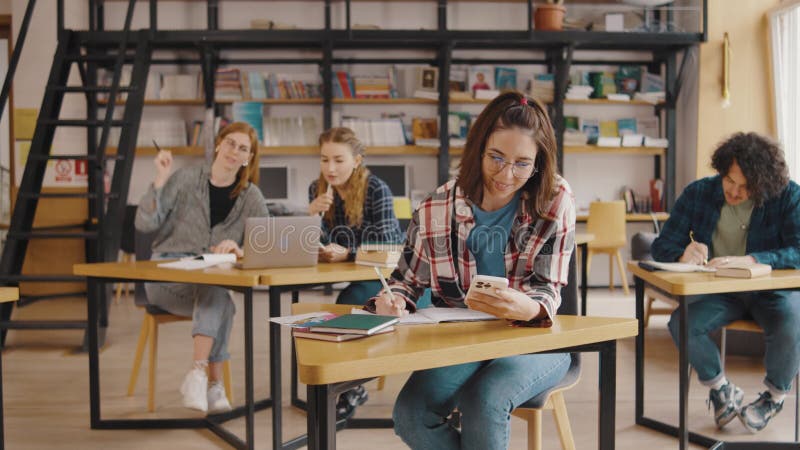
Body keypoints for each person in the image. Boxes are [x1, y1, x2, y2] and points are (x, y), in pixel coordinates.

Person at [366, 91, 575, 449]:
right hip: (465, 338)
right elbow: (406, 281)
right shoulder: (436, 207)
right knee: (412, 414)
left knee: (484, 400)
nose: (506, 175)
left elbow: (548, 287)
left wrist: (526, 308)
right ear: (478, 148)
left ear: (539, 162)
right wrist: (392, 300)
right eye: (496, 157)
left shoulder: (555, 198)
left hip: (535, 338)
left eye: (523, 163)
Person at [651, 132, 800, 433]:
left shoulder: (788, 196)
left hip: (772, 292)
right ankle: (721, 389)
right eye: (730, 181)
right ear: (721, 170)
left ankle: (773, 397)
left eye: (746, 188)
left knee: (791, 322)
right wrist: (683, 253)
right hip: (723, 291)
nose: (734, 192)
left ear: (764, 185)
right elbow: (661, 245)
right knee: (682, 323)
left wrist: (756, 260)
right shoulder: (698, 193)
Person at [135, 122, 269, 414]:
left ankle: (199, 376)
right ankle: (212, 385)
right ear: (218, 145)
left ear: (249, 158)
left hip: (211, 279)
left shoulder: (251, 197)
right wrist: (160, 179)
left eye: (243, 148)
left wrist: (240, 249)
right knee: (223, 301)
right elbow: (144, 223)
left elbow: (266, 245)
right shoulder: (184, 179)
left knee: (217, 293)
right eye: (230, 143)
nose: (235, 151)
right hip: (166, 277)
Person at [308, 126, 432, 419]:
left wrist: (346, 252)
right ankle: (344, 385)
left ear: (357, 160)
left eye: (339, 160)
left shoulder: (375, 189)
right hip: (354, 271)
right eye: (324, 160)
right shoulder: (318, 190)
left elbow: (387, 243)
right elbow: (320, 239)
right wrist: (311, 215)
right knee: (333, 306)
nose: (330, 168)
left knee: (344, 303)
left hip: (386, 277)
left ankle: (348, 386)